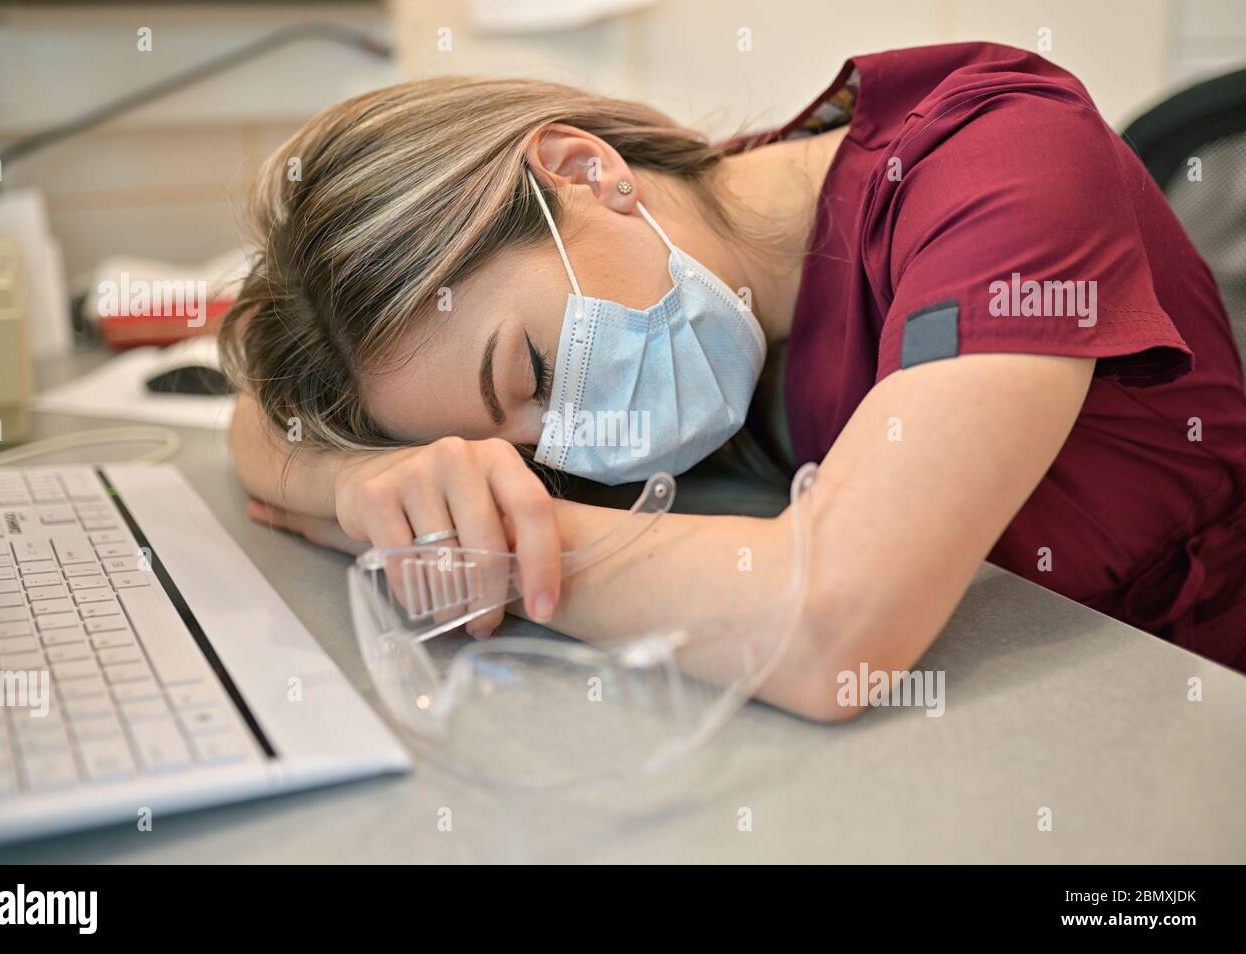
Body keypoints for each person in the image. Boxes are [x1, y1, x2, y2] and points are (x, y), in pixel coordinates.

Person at [218, 42, 1246, 719]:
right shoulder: (709, 244)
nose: (566, 448)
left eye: (531, 372)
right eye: (521, 448)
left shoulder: (1005, 164)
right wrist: (356, 486)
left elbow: (827, 630)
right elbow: (256, 429)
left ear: (583, 173)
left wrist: (486, 546)